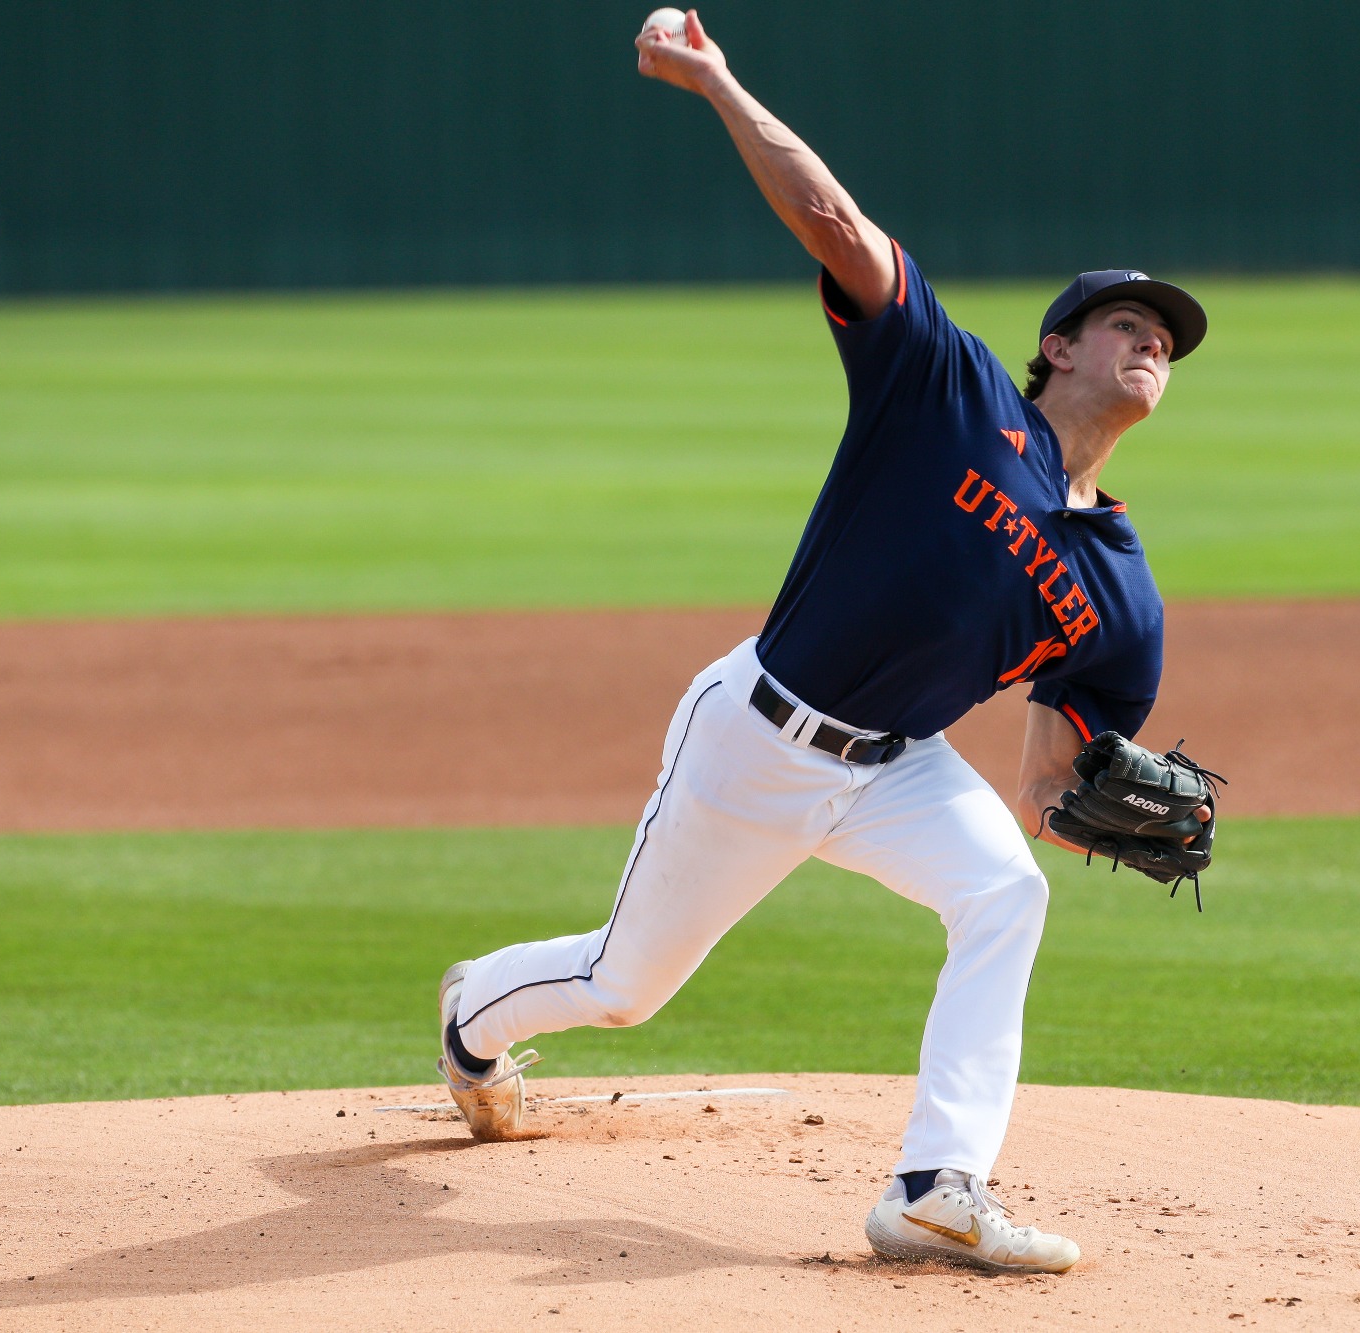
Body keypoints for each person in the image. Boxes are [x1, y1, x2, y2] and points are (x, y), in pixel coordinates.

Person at [435, 7, 1208, 1276]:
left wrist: (1081, 813)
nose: (1149, 347)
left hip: (892, 767)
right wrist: (715, 82)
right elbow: (837, 226)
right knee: (627, 986)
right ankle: (472, 1015)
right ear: (1057, 346)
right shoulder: (948, 390)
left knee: (1002, 893)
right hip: (755, 729)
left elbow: (1040, 785)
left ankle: (936, 1187)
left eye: (1165, 343)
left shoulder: (1119, 593)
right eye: (1126, 325)